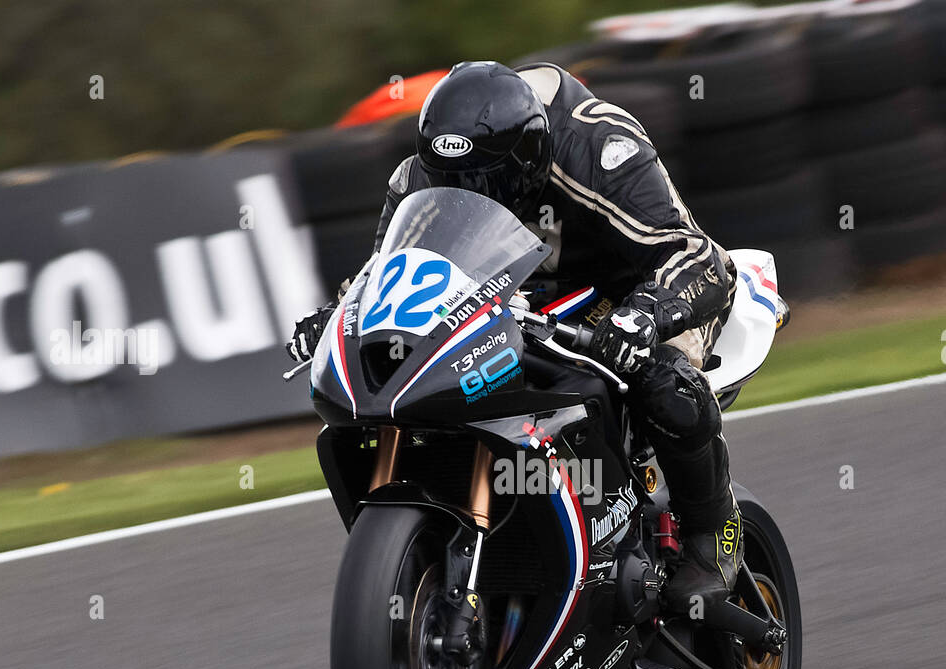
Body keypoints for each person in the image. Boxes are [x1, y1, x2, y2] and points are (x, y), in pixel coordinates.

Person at [288, 60, 788, 610]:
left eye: (485, 182)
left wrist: (646, 314)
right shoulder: (420, 176)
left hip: (631, 295)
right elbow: (394, 273)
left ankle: (713, 539)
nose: (466, 191)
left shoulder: (599, 151)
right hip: (516, 305)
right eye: (452, 181)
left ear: (528, 160)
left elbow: (700, 258)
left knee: (663, 380)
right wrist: (342, 314)